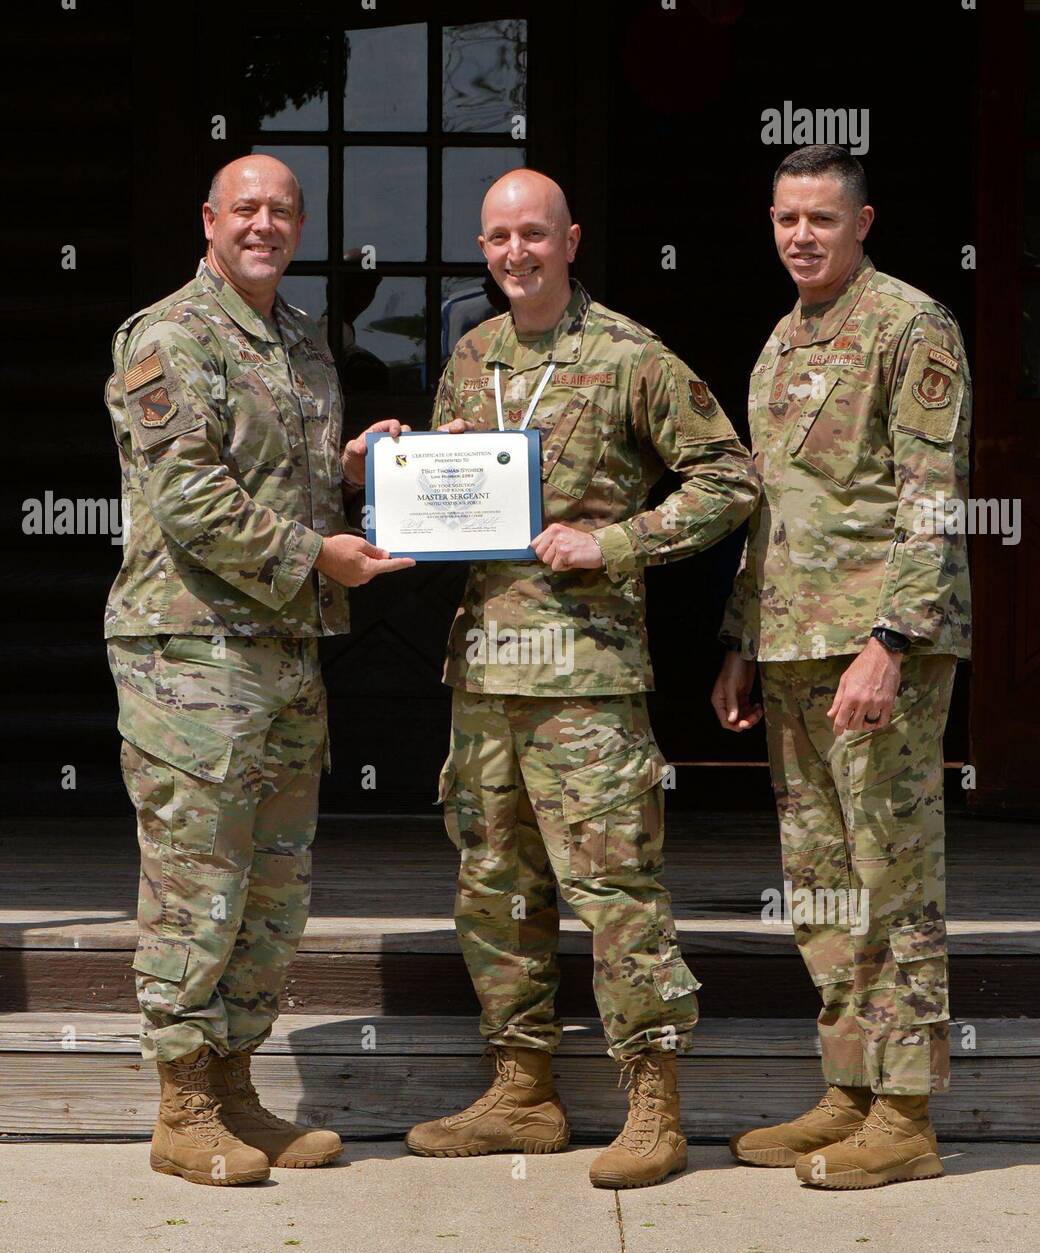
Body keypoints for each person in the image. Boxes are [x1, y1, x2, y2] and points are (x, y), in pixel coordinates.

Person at [395, 169, 759, 1188]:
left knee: (614, 891)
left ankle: (653, 1100)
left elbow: (728, 479)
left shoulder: (627, 355)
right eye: (498, 236)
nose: (516, 252)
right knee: (494, 886)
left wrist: (618, 543)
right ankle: (521, 1092)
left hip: (586, 679)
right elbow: (446, 515)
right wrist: (423, 467)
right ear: (484, 247)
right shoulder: (471, 358)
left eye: (534, 235)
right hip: (485, 673)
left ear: (570, 240)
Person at [105, 154, 414, 1185]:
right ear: (209, 219)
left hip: (282, 653)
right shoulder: (167, 338)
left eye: (282, 211)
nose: (265, 224)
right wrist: (311, 554)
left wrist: (355, 465)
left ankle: (236, 1086)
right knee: (197, 882)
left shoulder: (296, 338)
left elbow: (278, 465)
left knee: (273, 887)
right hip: (190, 656)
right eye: (247, 208)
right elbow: (190, 493)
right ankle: (182, 1105)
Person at [713, 145, 971, 1190]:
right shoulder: (780, 341)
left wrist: (893, 641)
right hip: (786, 645)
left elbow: (931, 497)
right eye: (784, 218)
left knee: (889, 875)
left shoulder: (909, 324)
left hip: (874, 651)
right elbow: (769, 506)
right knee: (818, 880)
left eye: (821, 218)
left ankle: (904, 1111)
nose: (800, 236)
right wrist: (737, 636)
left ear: (862, 223)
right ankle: (847, 1084)